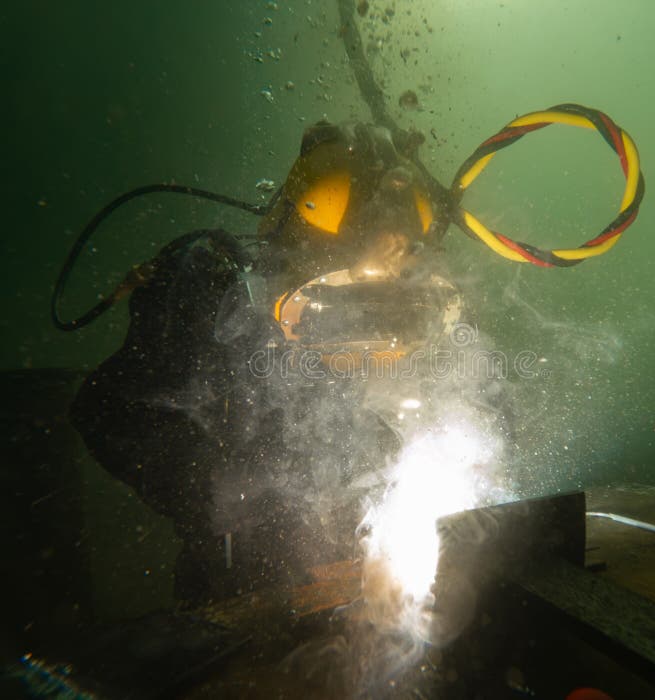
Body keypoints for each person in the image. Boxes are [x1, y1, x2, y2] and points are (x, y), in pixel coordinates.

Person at [70, 121, 464, 604]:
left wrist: (387, 464)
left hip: (336, 570)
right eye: (341, 310)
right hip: (234, 584)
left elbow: (333, 410)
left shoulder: (367, 316)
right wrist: (210, 490)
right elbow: (104, 409)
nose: (356, 339)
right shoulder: (208, 295)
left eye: (379, 310)